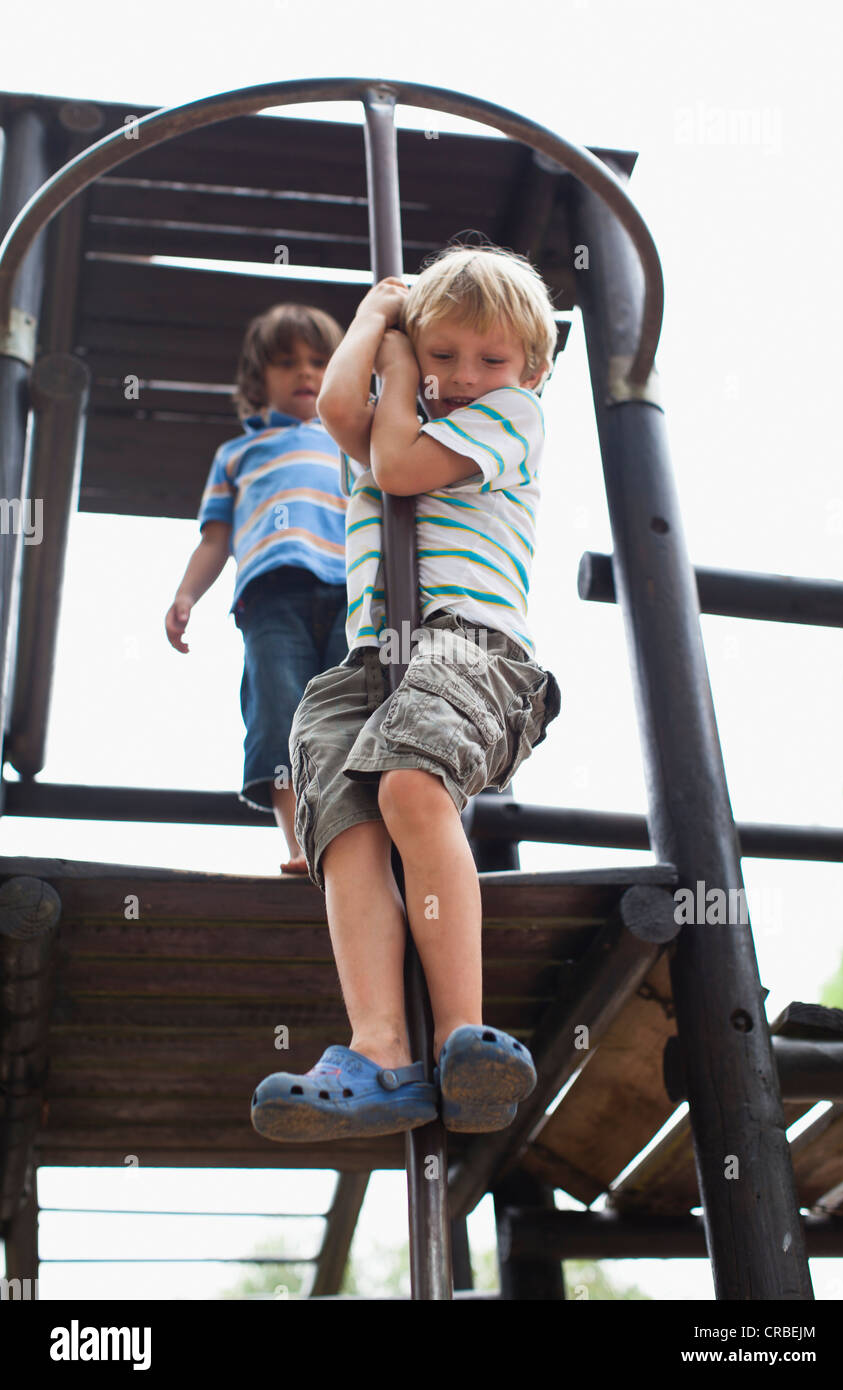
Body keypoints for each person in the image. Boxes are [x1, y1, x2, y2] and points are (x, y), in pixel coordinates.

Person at [250, 246, 562, 1140]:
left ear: (529, 371)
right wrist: (375, 323)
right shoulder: (393, 415)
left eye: (490, 358)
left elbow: (393, 467)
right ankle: (380, 1048)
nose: (465, 376)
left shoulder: (513, 417)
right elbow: (342, 409)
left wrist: (402, 362)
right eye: (445, 354)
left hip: (474, 648)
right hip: (368, 663)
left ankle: (464, 1034)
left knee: (411, 787)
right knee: (343, 828)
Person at [165, 303, 348, 872]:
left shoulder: (351, 437)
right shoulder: (237, 454)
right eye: (288, 362)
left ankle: (353, 835)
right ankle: (298, 843)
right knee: (279, 711)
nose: (306, 374)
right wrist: (186, 594)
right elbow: (215, 540)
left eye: (321, 362)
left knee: (353, 709)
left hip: (354, 591)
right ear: (258, 377)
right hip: (271, 598)